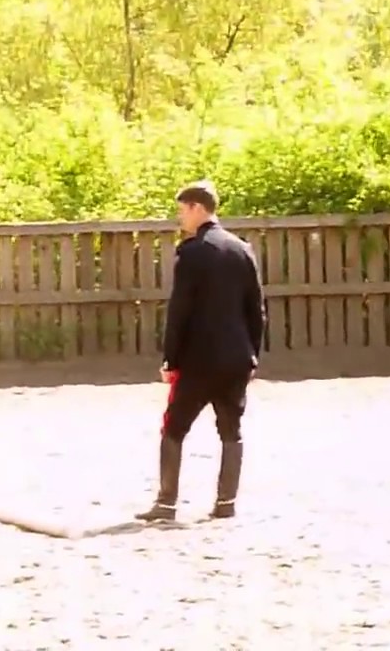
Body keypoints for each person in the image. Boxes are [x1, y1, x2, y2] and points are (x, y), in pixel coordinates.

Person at [136, 180, 265, 522]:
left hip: (199, 359)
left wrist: (170, 358)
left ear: (197, 208)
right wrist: (253, 353)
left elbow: (180, 310)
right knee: (231, 431)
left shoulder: (192, 252)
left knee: (174, 427)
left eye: (182, 210)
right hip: (237, 357)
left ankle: (166, 503)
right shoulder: (242, 250)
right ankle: (226, 503)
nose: (180, 218)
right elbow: (256, 309)